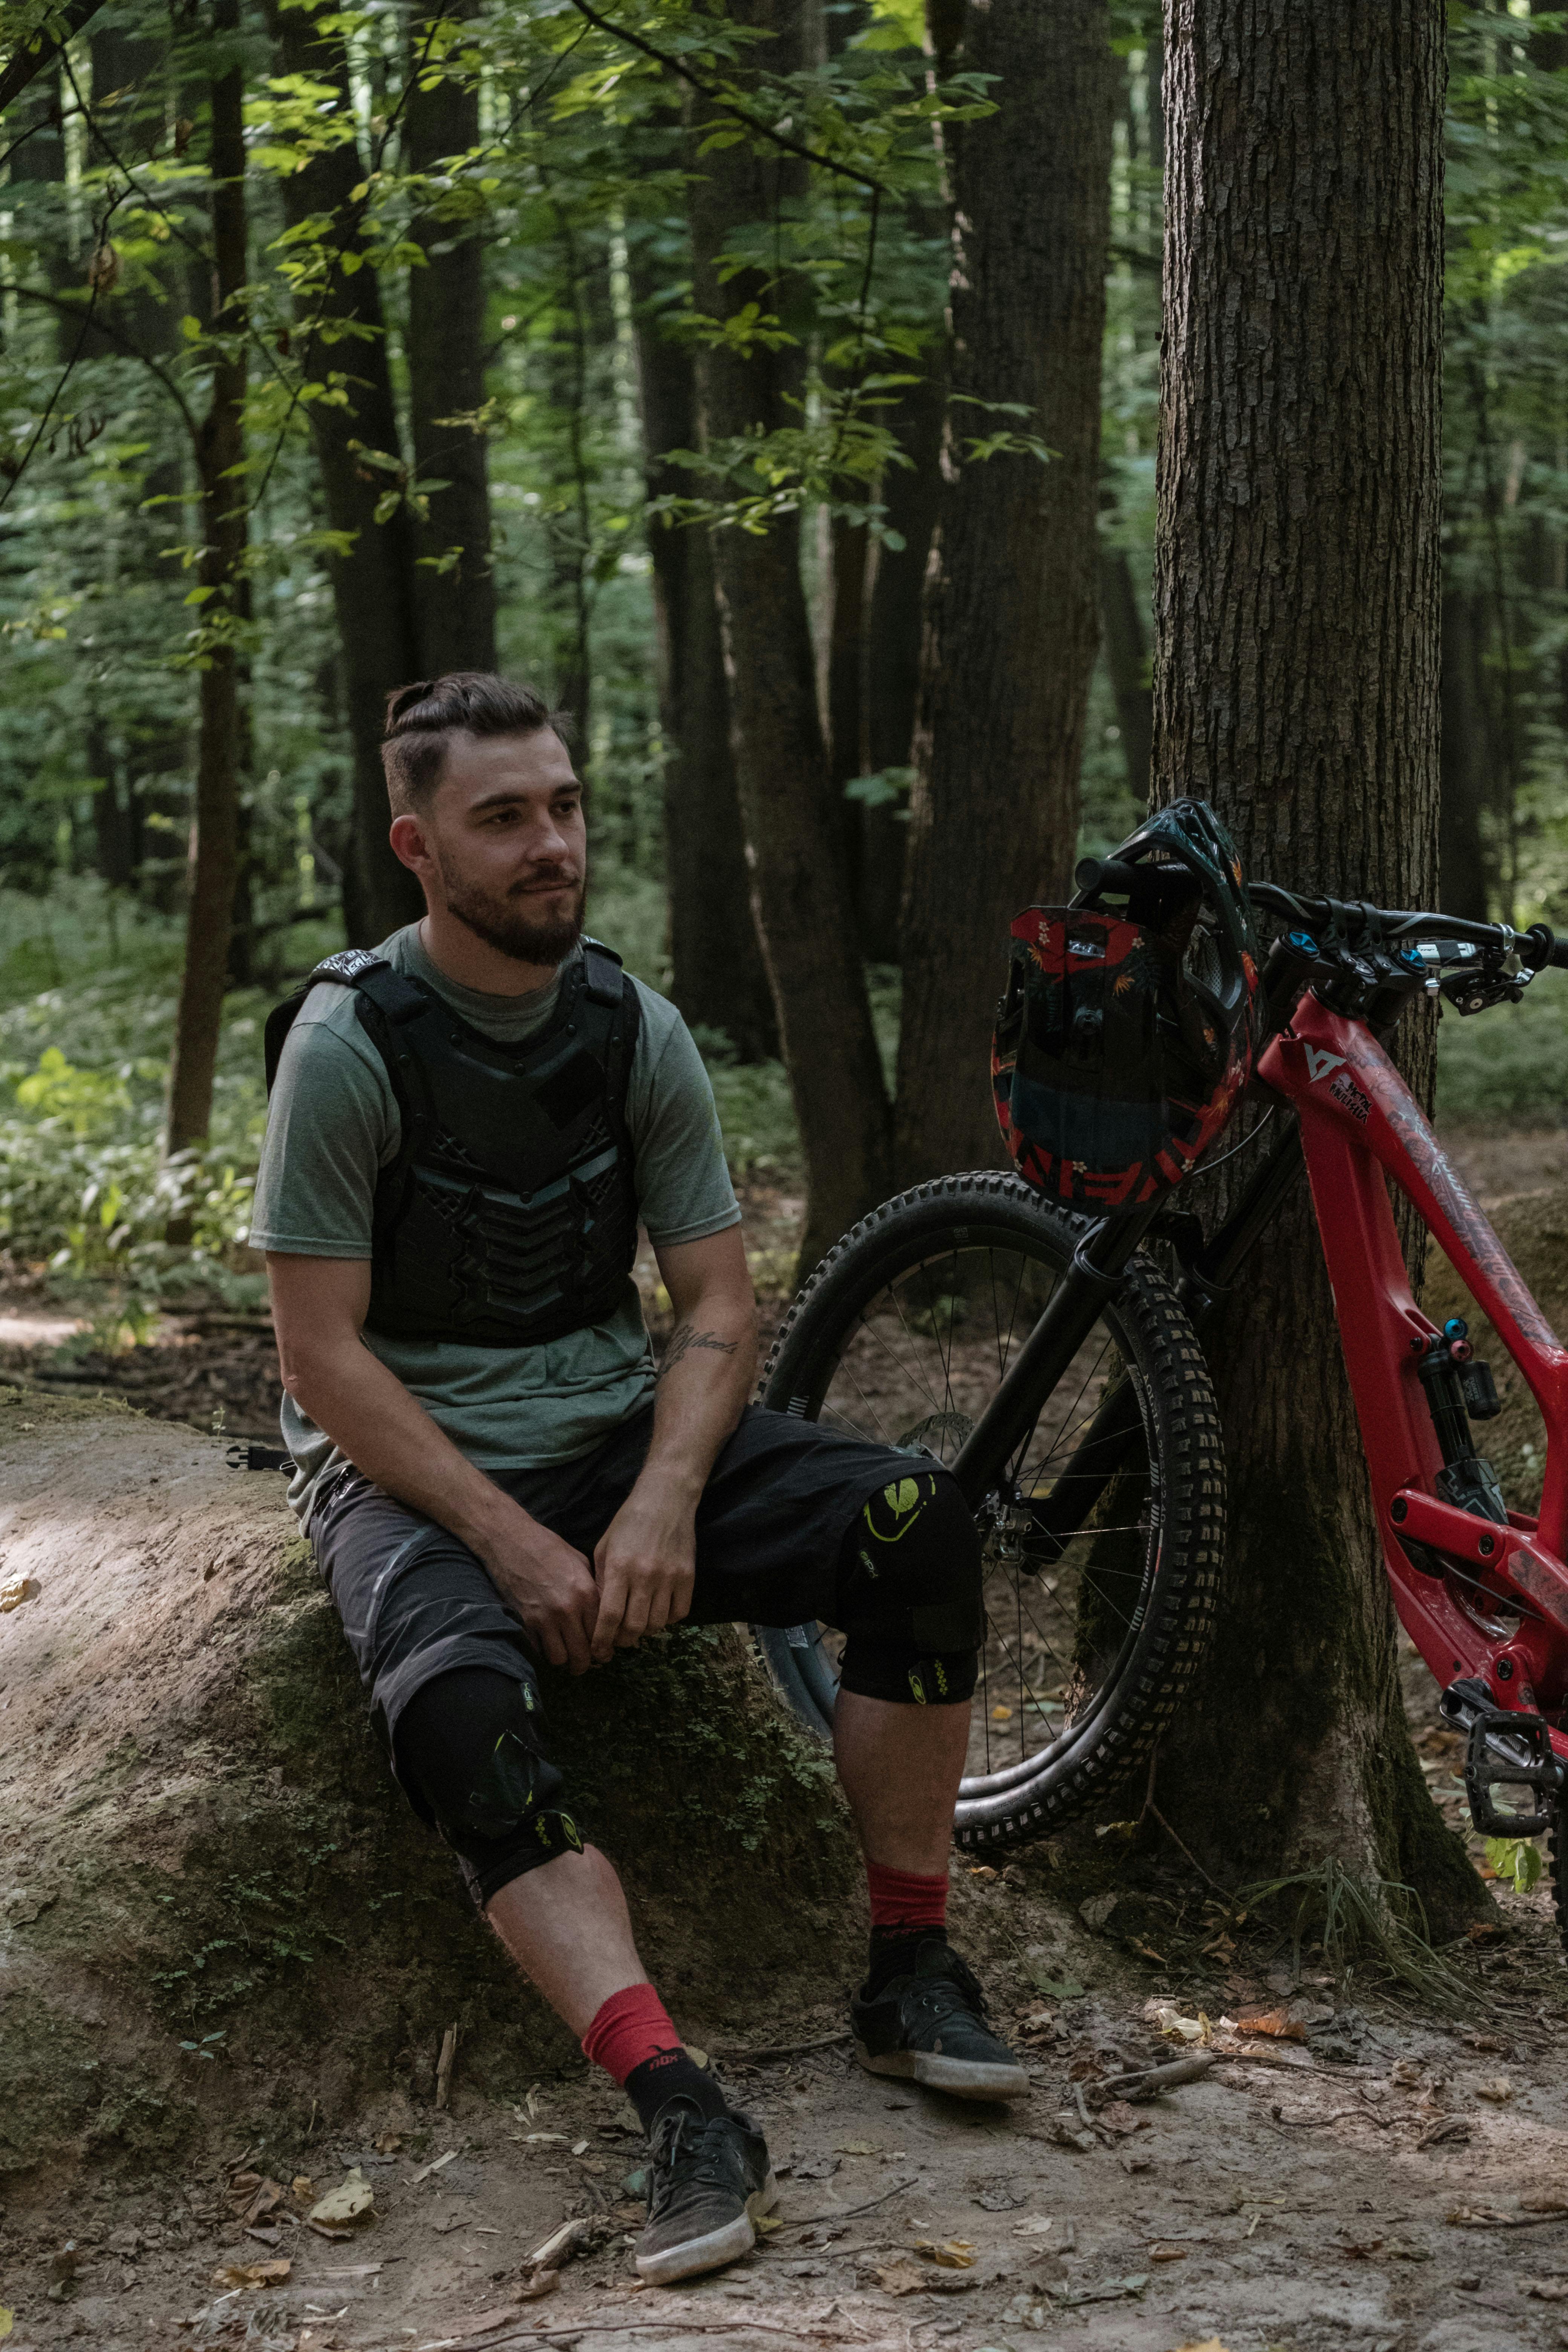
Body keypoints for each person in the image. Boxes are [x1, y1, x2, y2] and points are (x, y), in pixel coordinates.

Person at [250, 672, 1025, 2289]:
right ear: (417, 846)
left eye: (565, 807)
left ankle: (909, 1966)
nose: (552, 845)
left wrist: (664, 1498)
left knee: (915, 1524)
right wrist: (508, 1538)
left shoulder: (632, 1027)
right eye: (504, 818)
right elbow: (321, 1359)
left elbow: (721, 1306)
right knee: (461, 1716)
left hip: (621, 1436)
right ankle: (675, 2098)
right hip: (414, 1478)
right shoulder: (347, 1045)